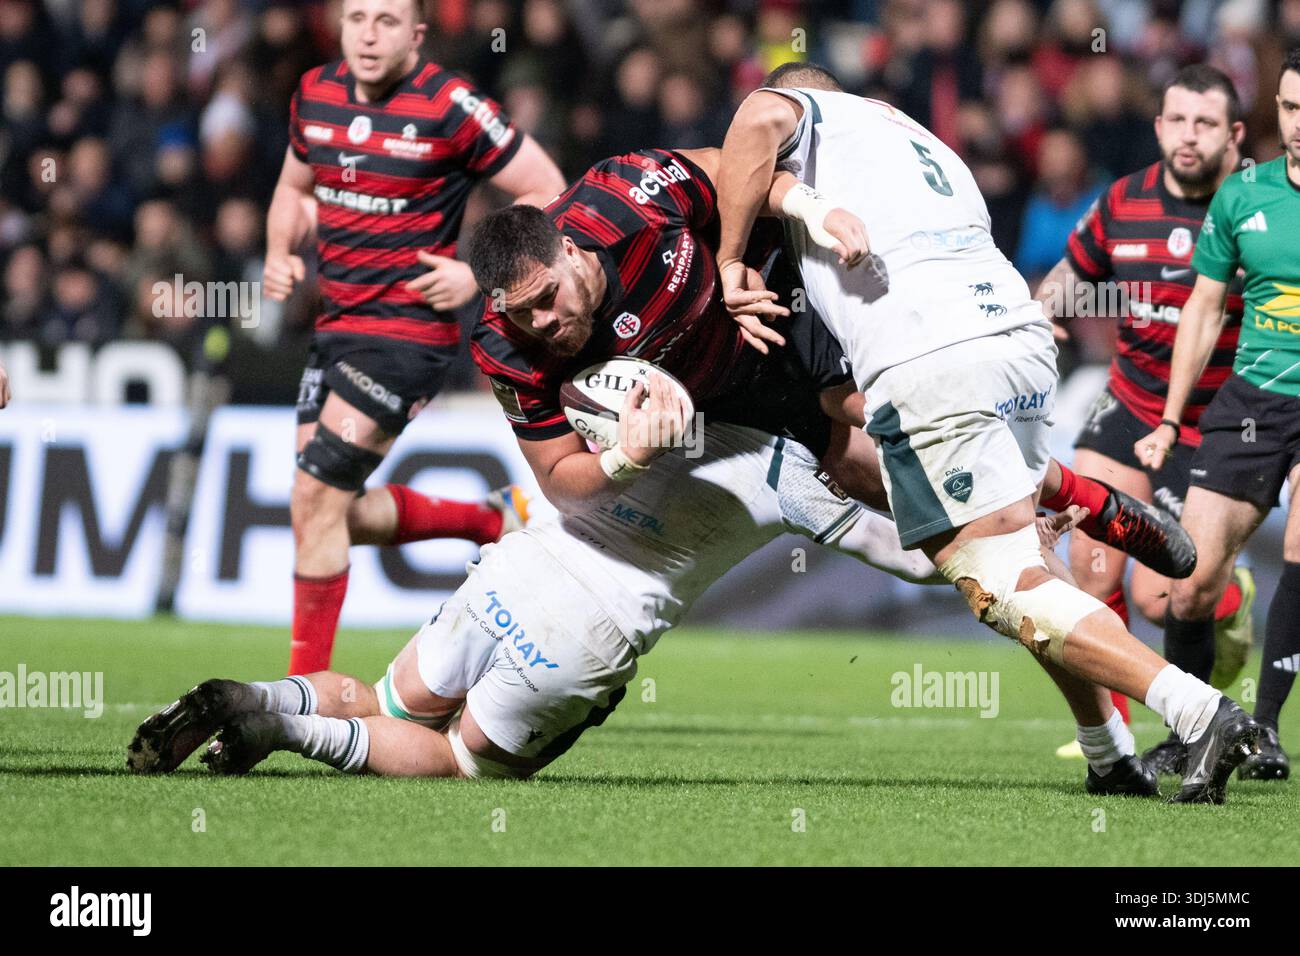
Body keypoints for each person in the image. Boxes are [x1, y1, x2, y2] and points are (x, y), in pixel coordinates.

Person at [714, 61, 1259, 803]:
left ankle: (1199, 711)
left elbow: (755, 120)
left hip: (931, 358)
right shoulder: (922, 142)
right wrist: (791, 197)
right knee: (1034, 565)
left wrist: (730, 260)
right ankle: (1109, 748)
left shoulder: (806, 117)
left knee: (1000, 583)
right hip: (1020, 339)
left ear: (806, 101)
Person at [263, 0, 565, 675]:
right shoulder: (315, 93)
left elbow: (548, 189)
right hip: (334, 329)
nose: (369, 34)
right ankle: (490, 521)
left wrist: (477, 274)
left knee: (315, 498)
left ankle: (303, 696)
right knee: (325, 511)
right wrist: (280, 249)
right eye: (357, 18)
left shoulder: (451, 104)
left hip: (406, 337)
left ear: (417, 34)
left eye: (388, 21)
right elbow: (292, 187)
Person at [1035, 64, 1254, 760]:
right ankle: (1115, 725)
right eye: (1178, 121)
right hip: (1128, 404)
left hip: (1216, 422)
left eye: (1206, 123)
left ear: (1234, 134)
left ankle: (1226, 601)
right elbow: (1076, 266)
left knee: (1167, 600)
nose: (1189, 137)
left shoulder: (1261, 209)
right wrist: (1045, 309)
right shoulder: (1124, 200)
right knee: (1093, 566)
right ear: (1158, 126)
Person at [1135, 49, 1300, 781]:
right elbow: (1203, 311)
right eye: (1290, 108)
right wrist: (1171, 420)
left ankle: (1263, 729)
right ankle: (1194, 726)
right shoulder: (1243, 195)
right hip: (1252, 400)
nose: (1299, 124)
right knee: (1191, 583)